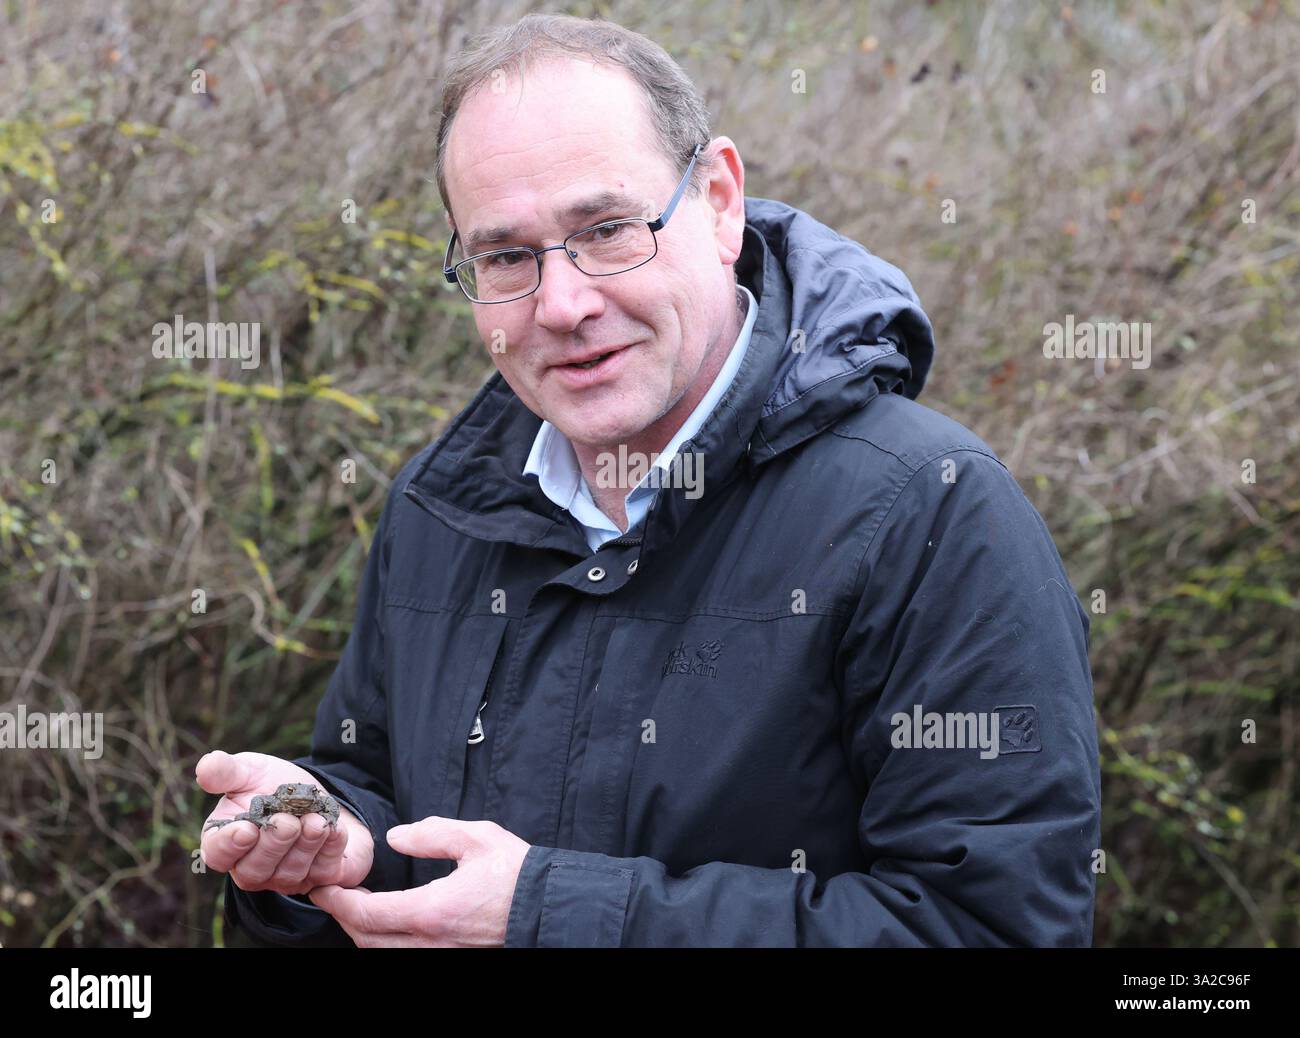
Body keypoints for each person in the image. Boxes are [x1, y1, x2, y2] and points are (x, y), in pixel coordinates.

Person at [196, 13, 1101, 948]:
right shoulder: (446, 506)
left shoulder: (932, 514)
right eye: (507, 256)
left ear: (718, 199)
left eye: (608, 229)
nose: (563, 304)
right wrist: (327, 851)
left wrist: (547, 917)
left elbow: (991, 929)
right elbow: (399, 813)